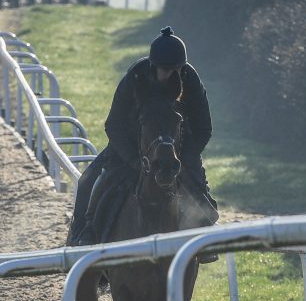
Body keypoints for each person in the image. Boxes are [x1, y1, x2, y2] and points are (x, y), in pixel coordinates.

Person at [67, 26, 213, 245]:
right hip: (133, 144)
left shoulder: (190, 80)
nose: (170, 74)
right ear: (154, 67)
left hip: (178, 148)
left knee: (201, 195)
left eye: (174, 70)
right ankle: (84, 233)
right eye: (165, 69)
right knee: (88, 181)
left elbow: (203, 128)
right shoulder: (135, 76)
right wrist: (133, 160)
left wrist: (182, 157)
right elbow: (114, 124)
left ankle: (204, 238)